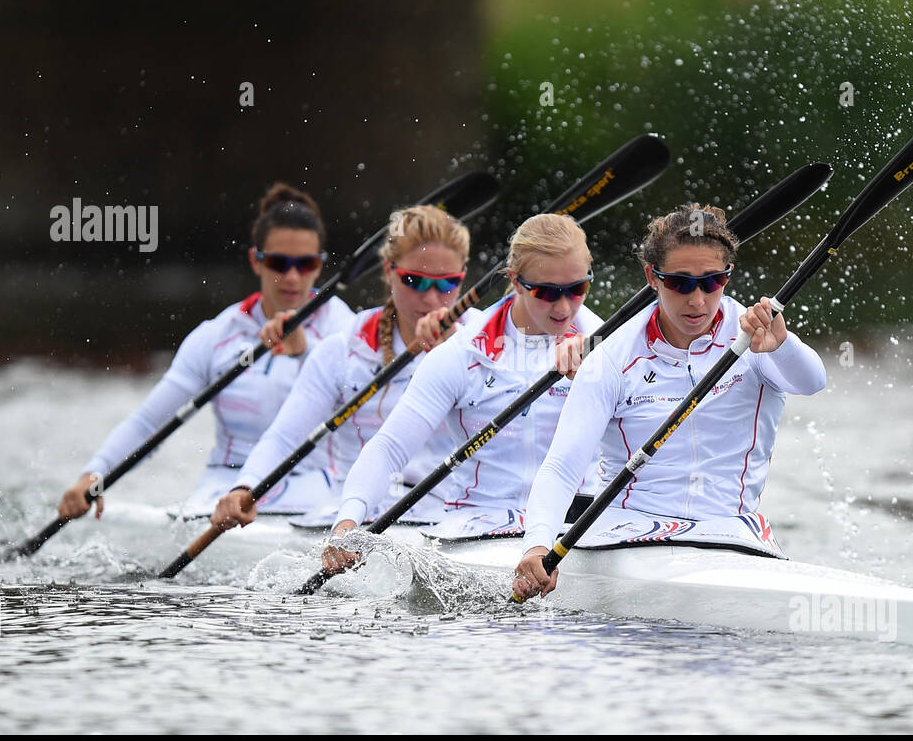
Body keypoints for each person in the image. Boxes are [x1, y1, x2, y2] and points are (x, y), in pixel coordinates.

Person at [512, 203, 827, 600]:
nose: (697, 300)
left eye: (712, 282)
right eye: (680, 283)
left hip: (730, 534)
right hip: (628, 537)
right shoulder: (612, 356)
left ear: (727, 277)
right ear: (652, 277)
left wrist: (782, 346)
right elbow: (562, 466)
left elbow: (813, 382)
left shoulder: (756, 337)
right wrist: (538, 545)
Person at [320, 213, 603, 573]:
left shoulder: (610, 345)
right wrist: (348, 522)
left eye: (577, 289)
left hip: (575, 525)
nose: (564, 307)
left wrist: (600, 365)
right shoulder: (462, 353)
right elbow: (389, 448)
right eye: (546, 292)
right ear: (515, 281)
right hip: (479, 529)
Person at [57, 182, 354, 522]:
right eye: (278, 262)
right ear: (255, 262)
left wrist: (306, 355)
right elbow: (148, 423)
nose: (292, 276)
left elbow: (371, 413)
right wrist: (94, 474)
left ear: (320, 266)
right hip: (223, 486)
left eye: (306, 264)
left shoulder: (344, 329)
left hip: (314, 486)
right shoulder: (215, 337)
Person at [208, 204, 472, 531]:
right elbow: (284, 438)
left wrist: (459, 353)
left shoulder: (483, 344)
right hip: (351, 515)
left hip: (453, 518)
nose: (433, 299)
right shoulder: (343, 348)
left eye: (447, 284)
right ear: (389, 271)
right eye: (415, 281)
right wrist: (245, 487)